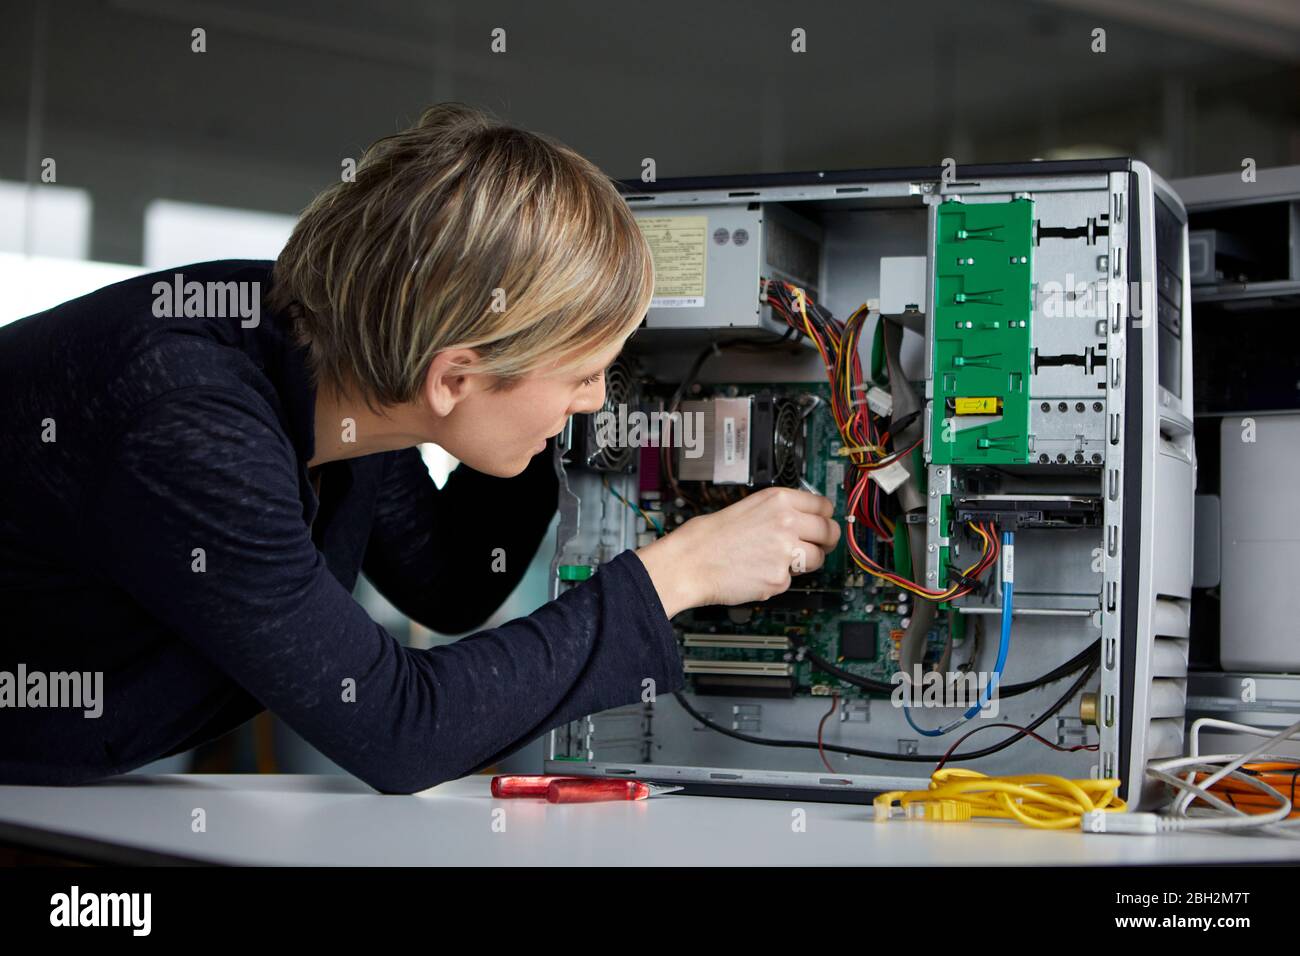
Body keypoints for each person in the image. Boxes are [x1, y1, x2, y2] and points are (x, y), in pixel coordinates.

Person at [0, 103, 840, 793]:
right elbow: (400, 726)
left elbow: (448, 578)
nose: (596, 401)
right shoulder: (192, 425)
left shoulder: (342, 346)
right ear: (453, 379)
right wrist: (677, 575)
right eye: (585, 375)